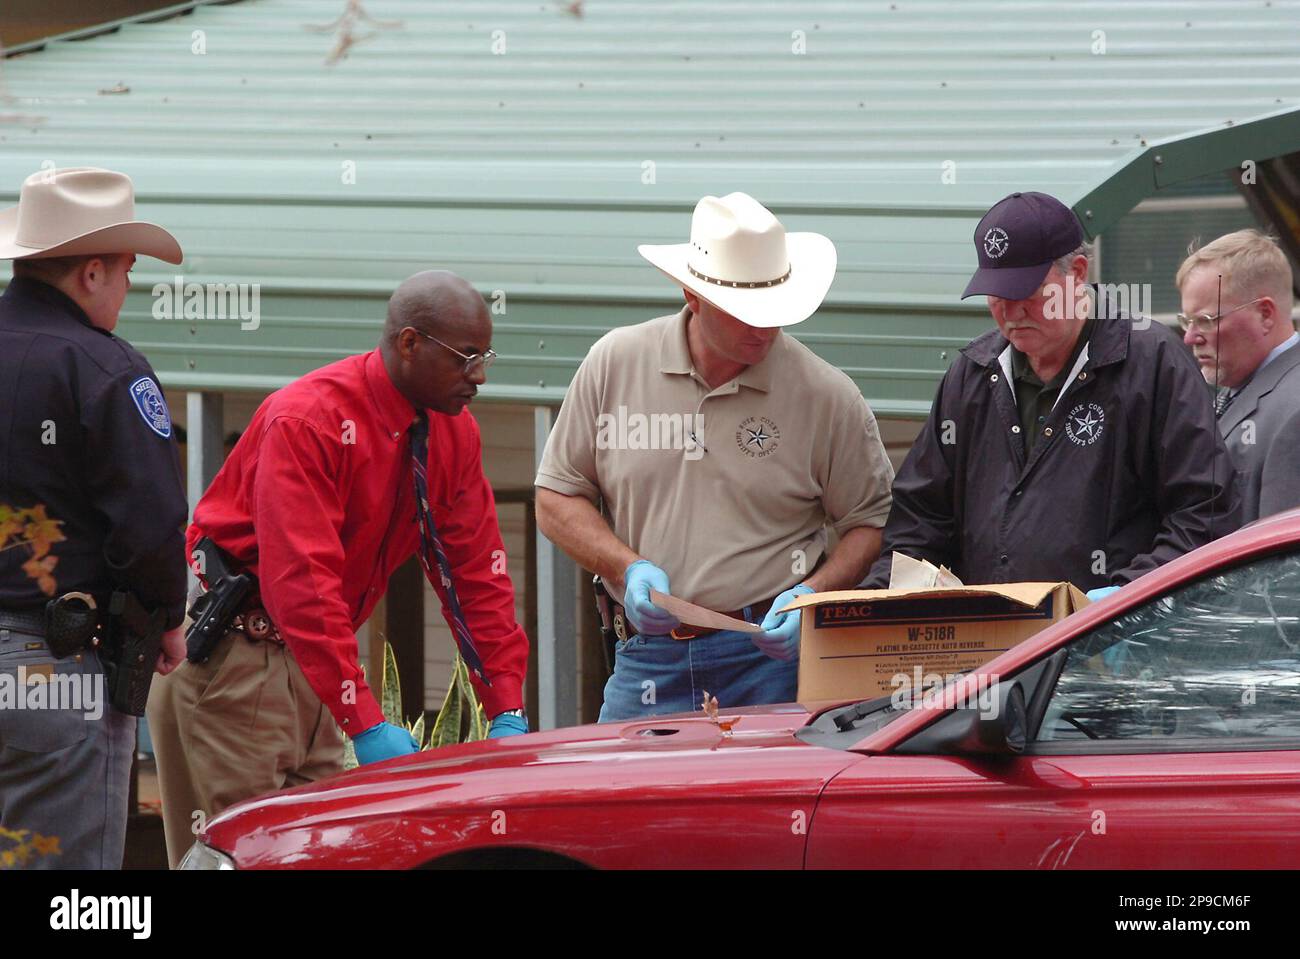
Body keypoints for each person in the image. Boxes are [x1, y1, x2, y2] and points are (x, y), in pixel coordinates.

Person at [148, 270, 530, 867]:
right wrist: (365, 720)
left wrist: (506, 705)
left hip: (318, 669)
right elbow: (302, 585)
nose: (479, 376)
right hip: (238, 666)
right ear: (409, 343)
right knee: (244, 858)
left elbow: (478, 572)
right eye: (465, 358)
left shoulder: (453, 431)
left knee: (317, 857)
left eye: (486, 356)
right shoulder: (308, 420)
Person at [535, 192, 894, 720]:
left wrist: (813, 596)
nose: (764, 326)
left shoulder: (827, 397)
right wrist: (626, 567)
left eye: (776, 306)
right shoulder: (614, 364)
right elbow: (556, 498)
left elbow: (870, 523)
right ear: (692, 294)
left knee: (775, 802)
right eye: (746, 311)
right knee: (629, 801)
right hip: (646, 658)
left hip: (773, 663)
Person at [864, 191, 1240, 594]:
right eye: (996, 295)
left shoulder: (1152, 364)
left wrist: (1127, 602)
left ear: (1077, 273)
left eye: (1026, 293)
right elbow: (919, 523)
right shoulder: (972, 375)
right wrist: (862, 605)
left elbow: (1205, 512)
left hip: (1118, 644)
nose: (1010, 313)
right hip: (994, 645)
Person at [0, 167, 188, 868]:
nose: (128, 289)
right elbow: (149, 525)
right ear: (92, 272)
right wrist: (167, 616)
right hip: (51, 669)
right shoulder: (107, 370)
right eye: (127, 272)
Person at [1177, 229, 1300, 525]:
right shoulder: (1246, 389)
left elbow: (1282, 561)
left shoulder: (1293, 412)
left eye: (1206, 320)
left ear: (1265, 314)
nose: (1190, 337)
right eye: (1187, 321)